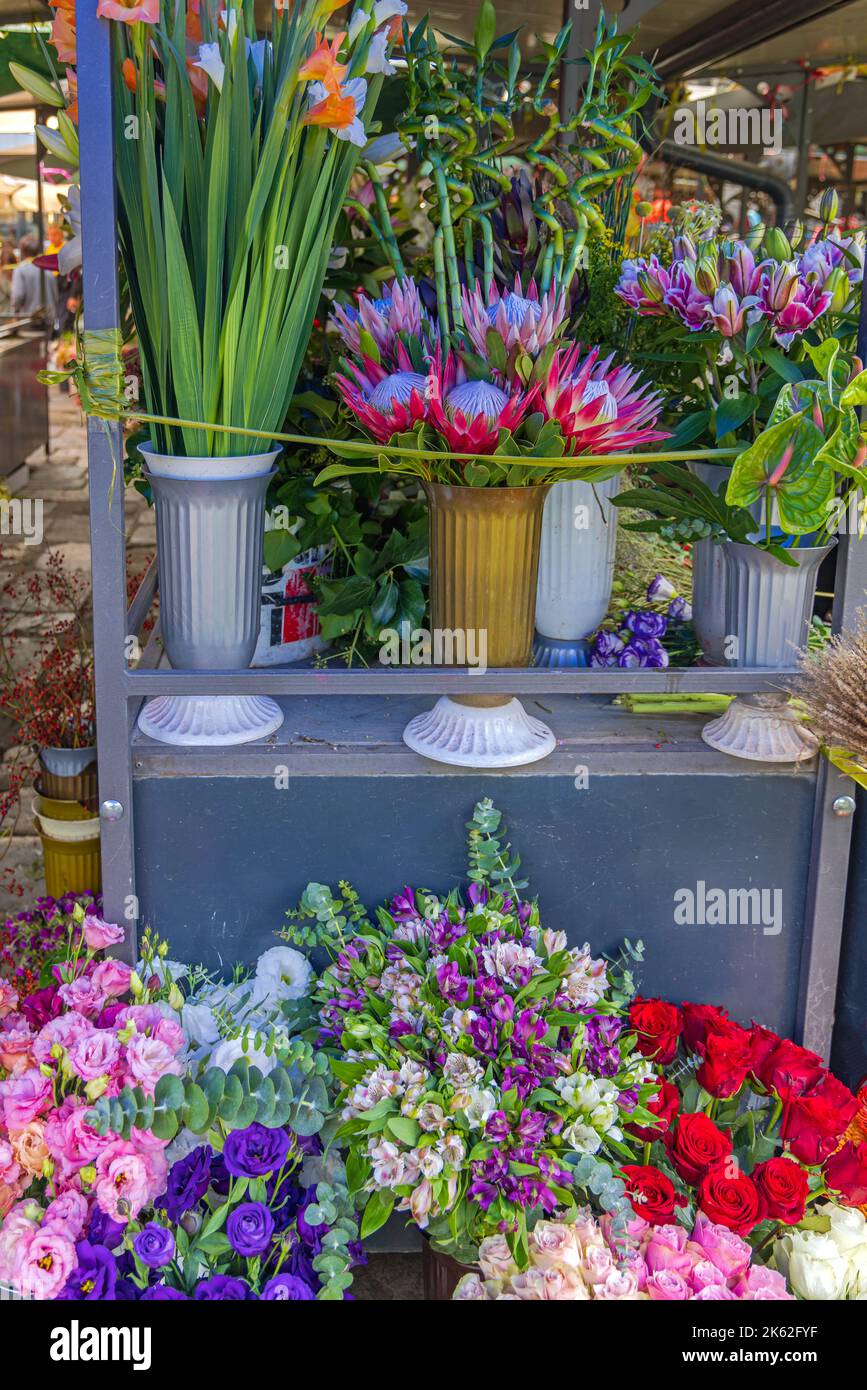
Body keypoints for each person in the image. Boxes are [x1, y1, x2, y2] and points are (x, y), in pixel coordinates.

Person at [10, 232, 58, 324]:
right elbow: (55, 295)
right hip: (48, 320)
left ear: (22, 251)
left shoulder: (20, 270)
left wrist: (15, 313)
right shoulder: (48, 269)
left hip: (28, 320)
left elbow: (18, 296)